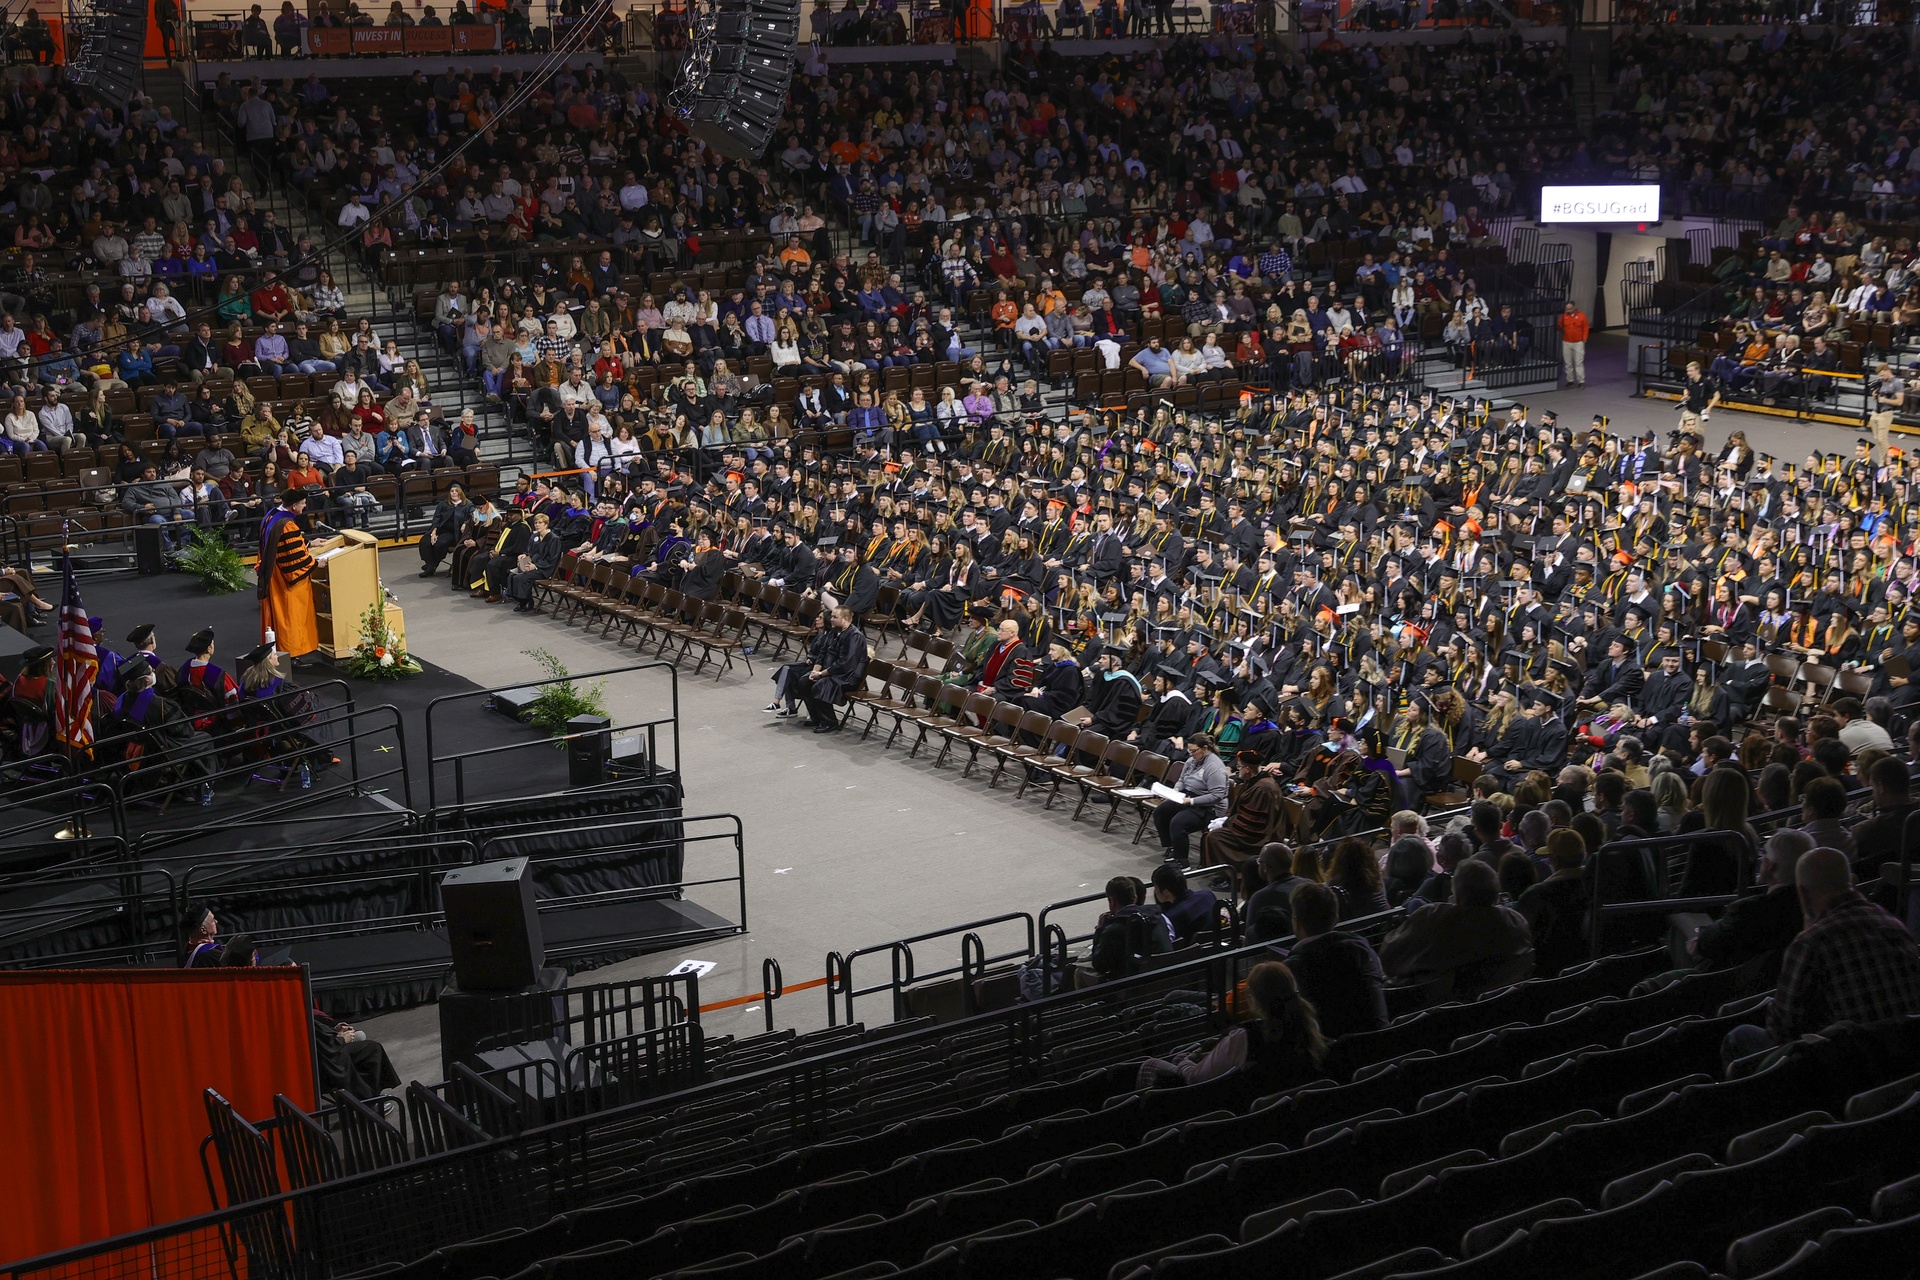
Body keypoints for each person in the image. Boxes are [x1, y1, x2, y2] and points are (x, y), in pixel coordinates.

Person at [1722, 847, 1920, 1064]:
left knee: (1740, 1036)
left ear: (1803, 893)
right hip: (1907, 1057)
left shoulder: (1812, 941)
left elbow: (1780, 1030)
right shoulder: (1893, 924)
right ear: (1851, 880)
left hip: (1853, 1064)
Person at [1135, 960, 1326, 1091]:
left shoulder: (1243, 1038)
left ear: (1255, 1001)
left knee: (1149, 1064)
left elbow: (1194, 1078)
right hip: (1272, 1102)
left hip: (1215, 1101)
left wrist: (1184, 1059)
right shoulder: (1309, 1025)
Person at [1379, 859, 1534, 997]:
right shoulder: (1515, 921)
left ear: (1457, 893)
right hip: (1503, 1007)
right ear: (1496, 892)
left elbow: (1389, 957)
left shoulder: (1432, 917)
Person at [1283, 881, 1388, 1039]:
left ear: (1296, 922)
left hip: (1337, 1056)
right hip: (1383, 1043)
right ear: (1336, 918)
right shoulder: (1362, 948)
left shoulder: (1292, 967)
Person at [1515, 828, 1591, 978]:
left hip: (1549, 975)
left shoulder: (1535, 895)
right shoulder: (1596, 883)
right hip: (1590, 967)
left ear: (1554, 860)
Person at [259, 486, 322, 663]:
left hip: (273, 573)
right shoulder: (287, 525)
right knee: (290, 616)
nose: (304, 507)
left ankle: (281, 651)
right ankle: (292, 654)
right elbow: (293, 560)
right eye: (302, 503)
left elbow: (282, 546)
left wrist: (309, 544)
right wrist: (316, 563)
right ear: (293, 506)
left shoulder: (271, 515)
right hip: (284, 581)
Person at [1153, 734, 1230, 867]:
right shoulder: (1191, 760)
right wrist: (1175, 790)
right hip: (1188, 797)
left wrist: (1192, 801)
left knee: (1178, 823)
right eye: (1189, 751)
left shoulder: (1214, 767)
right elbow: (1182, 780)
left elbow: (1216, 796)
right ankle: (1173, 847)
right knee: (1161, 812)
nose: (1191, 754)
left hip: (1209, 807)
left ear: (1205, 748)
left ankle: (1183, 862)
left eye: (1193, 751)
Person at [1199, 749, 1282, 871]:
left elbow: (1253, 821)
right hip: (1245, 828)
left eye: (1239, 767)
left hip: (1257, 835)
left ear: (1247, 768)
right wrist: (1226, 819)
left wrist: (1226, 823)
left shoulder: (1263, 788)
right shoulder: (1253, 781)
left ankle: (1232, 875)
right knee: (1211, 833)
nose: (1238, 770)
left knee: (1215, 837)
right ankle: (1219, 871)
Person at [1087, 875, 1172, 979]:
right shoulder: (1159, 918)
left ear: (1112, 901)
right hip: (1166, 979)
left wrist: (1100, 930)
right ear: (1135, 898)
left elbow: (1099, 966)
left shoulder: (1114, 930)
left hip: (1134, 987)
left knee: (1079, 973)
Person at [801, 605, 867, 733]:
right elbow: (823, 652)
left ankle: (830, 722)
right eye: (831, 616)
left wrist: (821, 674)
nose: (831, 619)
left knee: (819, 685)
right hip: (833, 672)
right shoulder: (834, 632)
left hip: (848, 676)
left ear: (846, 619)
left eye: (835, 617)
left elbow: (846, 663)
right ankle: (816, 718)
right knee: (804, 681)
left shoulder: (854, 636)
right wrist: (815, 671)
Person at [1150, 860, 1219, 944]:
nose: (1154, 891)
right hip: (1219, 945)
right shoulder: (1208, 895)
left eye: (1155, 888)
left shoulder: (1172, 917)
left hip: (1197, 954)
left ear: (1166, 892)